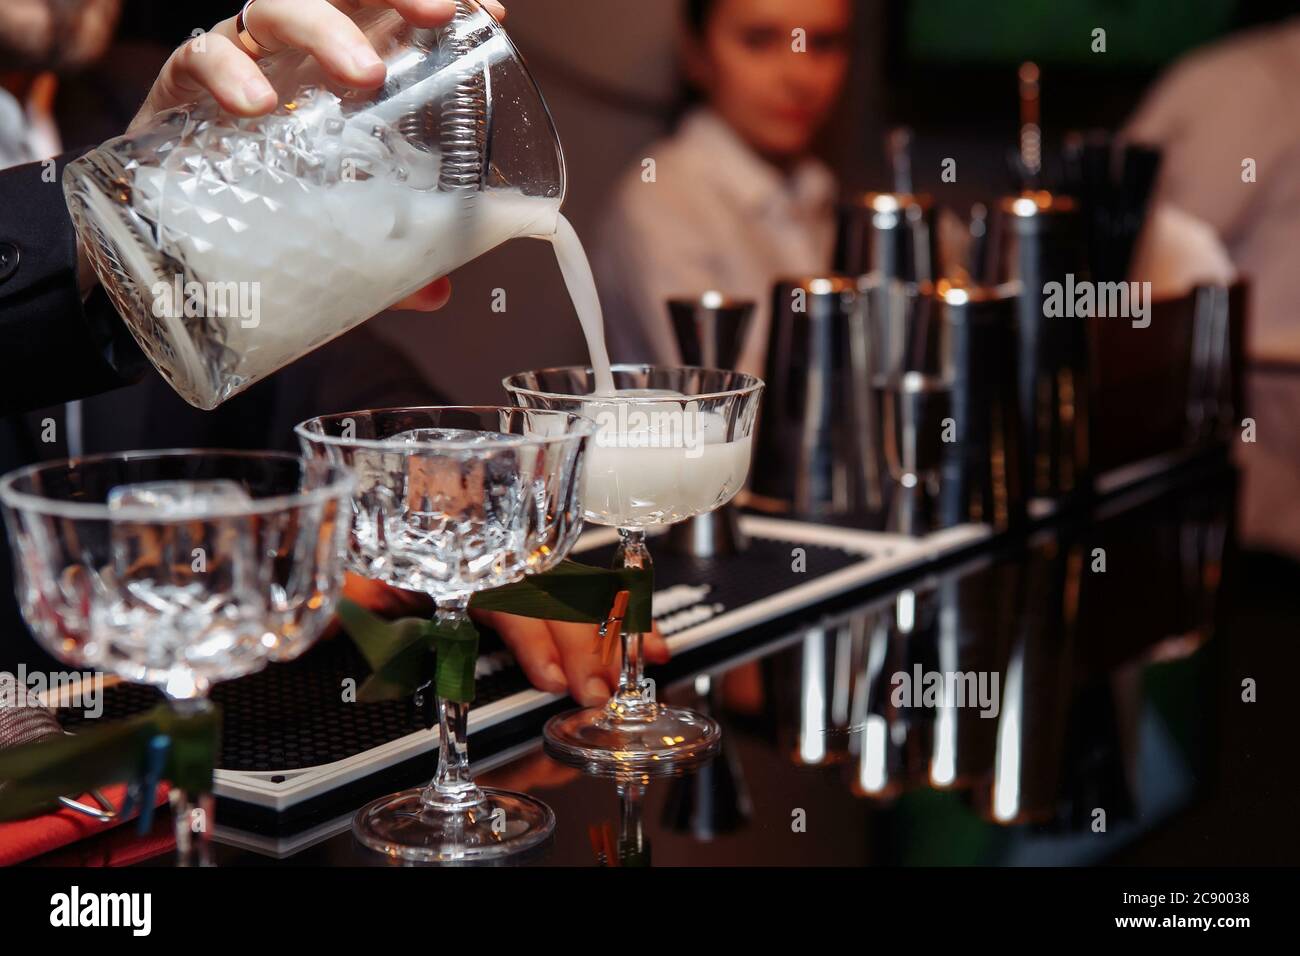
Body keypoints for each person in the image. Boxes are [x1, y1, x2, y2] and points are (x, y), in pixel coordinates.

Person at [0, 0, 665, 707]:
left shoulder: (154, 101)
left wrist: (456, 509)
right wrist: (98, 236)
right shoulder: (146, 157)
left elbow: (328, 369)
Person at [593, 0, 853, 378]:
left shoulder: (824, 193)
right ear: (696, 52)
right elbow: (729, 407)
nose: (799, 75)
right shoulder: (661, 203)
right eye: (759, 41)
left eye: (824, 43)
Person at [1122, 16, 1300, 559]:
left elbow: (1136, 273)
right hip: (1248, 504)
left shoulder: (1245, 82)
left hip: (1253, 504)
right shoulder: (1248, 83)